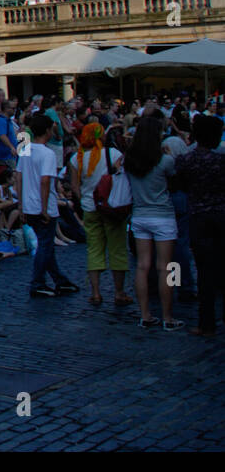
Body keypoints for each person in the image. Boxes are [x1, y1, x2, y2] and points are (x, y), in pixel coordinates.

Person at [125, 115, 182, 329]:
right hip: (164, 216)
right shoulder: (165, 160)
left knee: (142, 266)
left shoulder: (130, 160)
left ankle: (145, 314)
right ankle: (168, 316)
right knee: (168, 267)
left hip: (139, 216)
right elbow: (175, 182)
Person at [17, 114, 81, 299]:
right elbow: (45, 181)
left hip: (29, 205)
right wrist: (45, 208)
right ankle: (38, 283)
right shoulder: (48, 154)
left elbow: (18, 177)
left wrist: (21, 205)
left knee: (46, 245)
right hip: (43, 206)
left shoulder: (26, 149)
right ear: (47, 130)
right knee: (45, 245)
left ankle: (60, 280)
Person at [69, 123, 130, 306]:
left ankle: (96, 293)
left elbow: (74, 186)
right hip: (112, 208)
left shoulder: (76, 158)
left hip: (90, 208)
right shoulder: (113, 154)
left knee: (94, 249)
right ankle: (119, 292)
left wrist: (85, 200)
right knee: (117, 249)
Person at [175, 115, 225, 336]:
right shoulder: (221, 161)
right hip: (221, 215)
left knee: (204, 270)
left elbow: (180, 184)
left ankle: (206, 322)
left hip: (199, 216)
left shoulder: (187, 160)